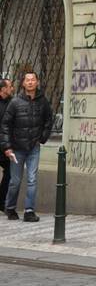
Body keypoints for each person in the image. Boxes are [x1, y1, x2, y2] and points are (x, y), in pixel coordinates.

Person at [0, 70, 54, 221]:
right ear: (23, 83)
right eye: (27, 80)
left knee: (32, 179)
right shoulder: (15, 102)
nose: (30, 82)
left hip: (33, 148)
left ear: (37, 82)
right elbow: (5, 126)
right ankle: (10, 207)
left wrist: (42, 138)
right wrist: (7, 147)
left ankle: (29, 211)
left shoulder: (43, 101)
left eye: (33, 80)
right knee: (15, 181)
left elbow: (49, 121)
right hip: (17, 148)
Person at [0, 79, 12, 210]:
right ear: (3, 89)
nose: (12, 88)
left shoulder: (12, 102)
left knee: (9, 171)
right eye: (9, 86)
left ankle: (1, 200)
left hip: (5, 145)